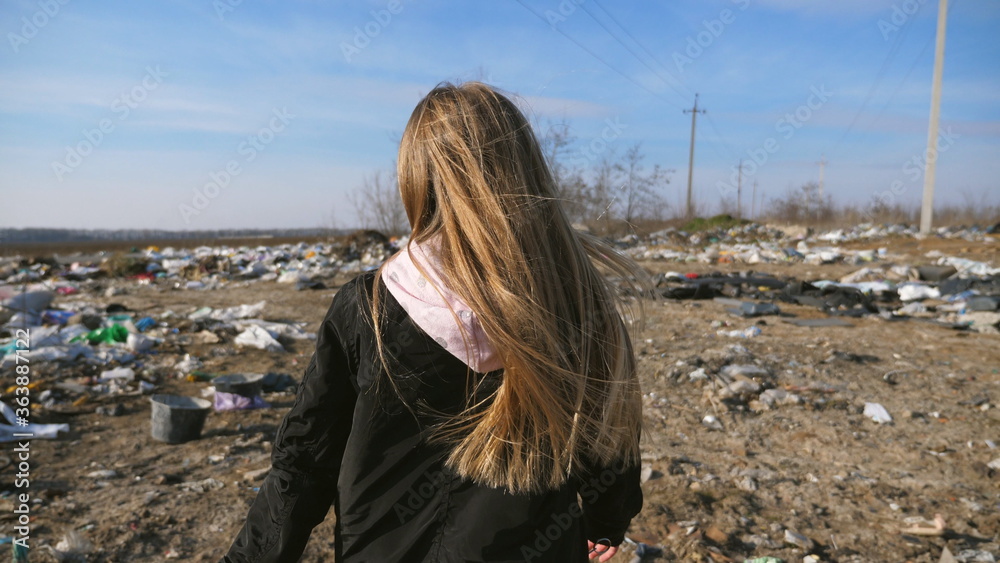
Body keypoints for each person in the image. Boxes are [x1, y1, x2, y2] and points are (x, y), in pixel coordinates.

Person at [221, 81, 647, 563]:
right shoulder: (576, 306)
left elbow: (302, 466)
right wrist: (607, 522)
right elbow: (610, 440)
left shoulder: (368, 309)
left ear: (418, 179)